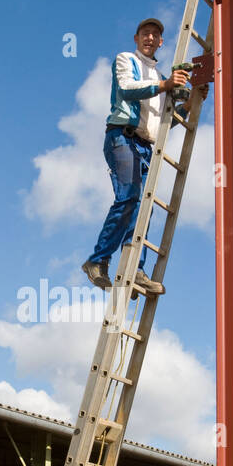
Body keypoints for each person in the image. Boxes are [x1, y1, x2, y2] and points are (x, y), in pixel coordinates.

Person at [82, 18, 191, 297]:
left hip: (146, 145)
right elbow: (127, 89)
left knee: (144, 209)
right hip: (122, 137)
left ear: (161, 42)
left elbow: (167, 120)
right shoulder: (125, 60)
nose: (150, 38)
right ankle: (97, 260)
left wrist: (191, 100)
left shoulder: (160, 77)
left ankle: (135, 270)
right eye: (146, 34)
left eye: (155, 35)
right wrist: (166, 85)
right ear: (136, 38)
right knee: (129, 197)